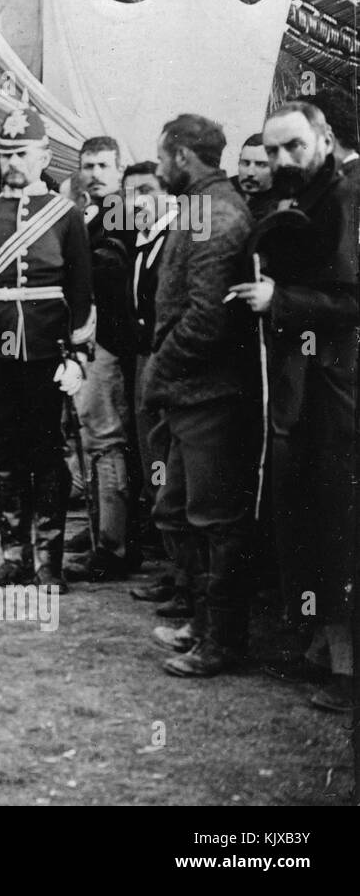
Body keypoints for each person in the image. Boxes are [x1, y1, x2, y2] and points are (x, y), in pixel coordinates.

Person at [239, 101, 358, 711]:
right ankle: (320, 650)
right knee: (309, 516)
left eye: (294, 147)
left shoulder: (341, 200)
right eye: (274, 149)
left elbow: (350, 302)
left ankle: (345, 670)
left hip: (338, 392)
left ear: (325, 139)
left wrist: (278, 300)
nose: (282, 160)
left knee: (338, 523)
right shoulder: (305, 200)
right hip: (306, 389)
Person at [0, 107, 93, 591]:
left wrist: (77, 353)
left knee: (47, 453)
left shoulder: (67, 216)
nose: (12, 162)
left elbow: (81, 289)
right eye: (5, 153)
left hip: (48, 353)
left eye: (21, 153)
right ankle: (15, 556)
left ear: (44, 156)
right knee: (4, 453)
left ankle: (49, 562)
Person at [143, 114, 259, 678]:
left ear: (183, 156)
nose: (159, 166)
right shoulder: (203, 205)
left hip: (208, 394)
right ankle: (205, 624)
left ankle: (223, 641)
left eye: (161, 156)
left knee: (216, 519)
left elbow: (207, 318)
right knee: (181, 510)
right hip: (191, 392)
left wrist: (158, 372)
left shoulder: (215, 212)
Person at [64, 137, 135, 582]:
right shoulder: (88, 213)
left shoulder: (120, 212)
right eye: (88, 166)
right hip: (86, 341)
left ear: (119, 168)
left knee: (106, 441)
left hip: (108, 340)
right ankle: (100, 533)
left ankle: (114, 544)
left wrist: (68, 263)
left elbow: (110, 270)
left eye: (104, 165)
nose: (95, 174)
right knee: (89, 438)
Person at [121, 162, 184, 611]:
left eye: (147, 190)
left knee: (170, 466)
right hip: (144, 360)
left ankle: (185, 577)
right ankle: (173, 569)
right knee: (152, 464)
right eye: (131, 194)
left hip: (167, 363)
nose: (138, 201)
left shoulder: (175, 239)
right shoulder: (141, 243)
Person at [235, 133, 277, 222]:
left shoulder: (279, 208)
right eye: (245, 163)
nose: (250, 173)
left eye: (261, 165)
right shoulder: (224, 187)